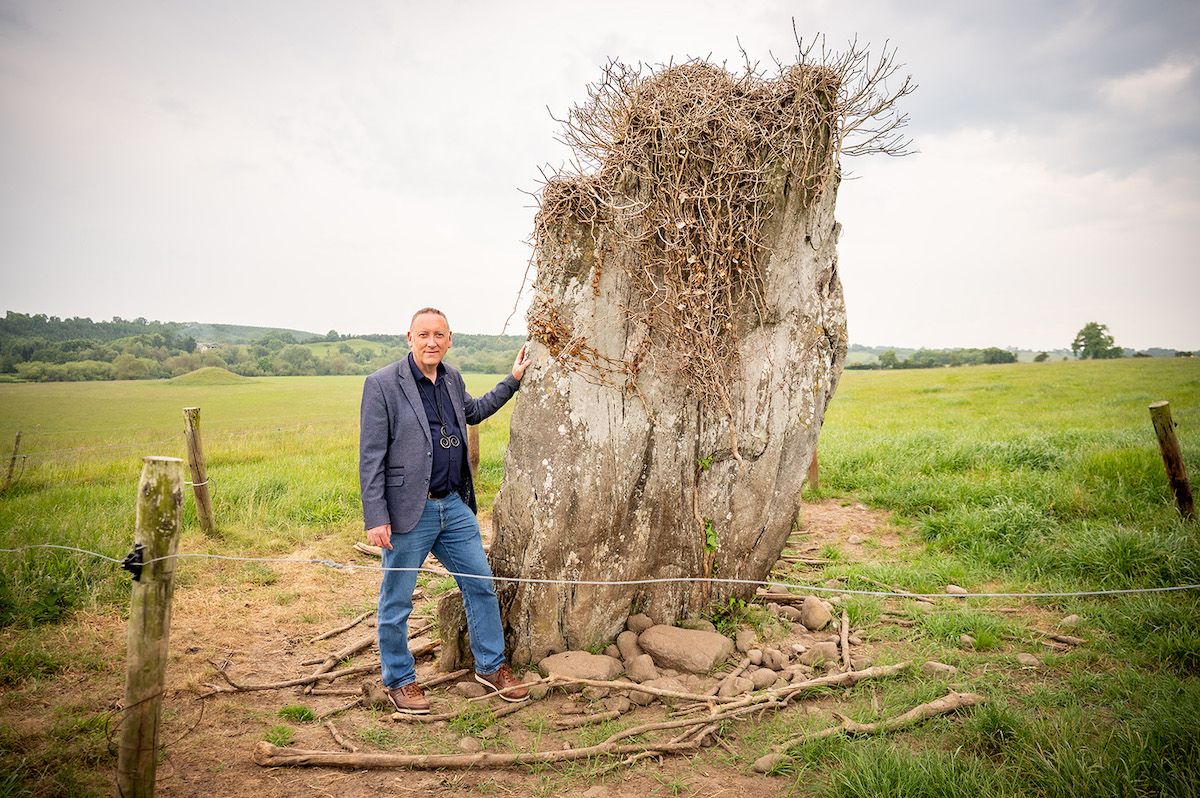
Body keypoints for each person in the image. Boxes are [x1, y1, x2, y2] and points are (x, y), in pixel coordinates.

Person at [359, 307, 531, 713]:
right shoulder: (382, 384)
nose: (432, 342)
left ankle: (490, 666)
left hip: (453, 507)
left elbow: (472, 412)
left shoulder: (452, 378)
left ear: (449, 339)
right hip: (406, 513)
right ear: (409, 338)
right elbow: (371, 457)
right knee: (397, 600)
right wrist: (376, 516)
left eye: (439, 335)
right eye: (424, 335)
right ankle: (400, 680)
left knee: (480, 586)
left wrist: (513, 381)